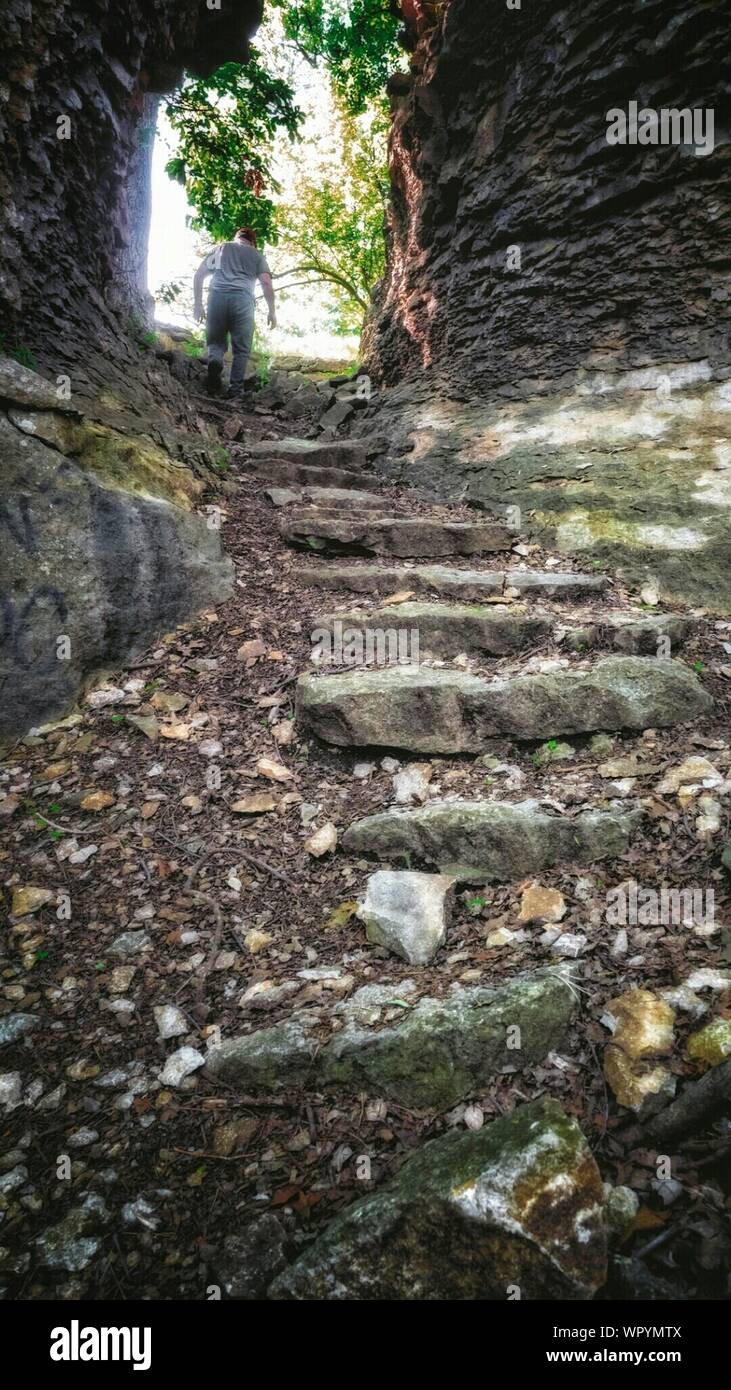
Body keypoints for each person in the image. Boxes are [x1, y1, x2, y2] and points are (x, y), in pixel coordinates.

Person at [193, 227, 276, 398]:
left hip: (217, 297)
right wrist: (271, 311)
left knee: (215, 342)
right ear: (253, 242)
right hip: (243, 301)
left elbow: (199, 275)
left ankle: (215, 365)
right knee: (242, 349)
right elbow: (266, 283)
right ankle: (235, 391)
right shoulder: (257, 255)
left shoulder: (222, 248)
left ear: (237, 237)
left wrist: (198, 305)